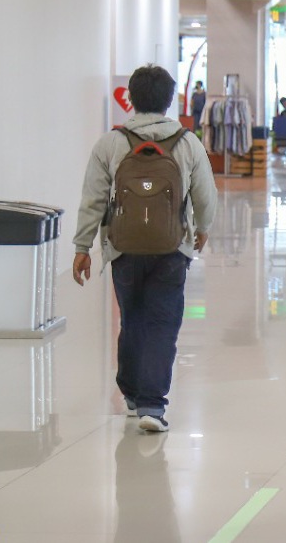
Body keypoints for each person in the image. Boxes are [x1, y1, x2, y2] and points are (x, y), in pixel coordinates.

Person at [72, 64, 217, 432]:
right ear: (170, 100)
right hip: (172, 249)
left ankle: (133, 396)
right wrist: (202, 228)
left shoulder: (111, 143)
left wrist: (82, 246)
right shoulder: (187, 142)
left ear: (132, 99)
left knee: (132, 319)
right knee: (162, 323)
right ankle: (153, 405)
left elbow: (92, 199)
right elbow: (205, 195)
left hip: (123, 248)